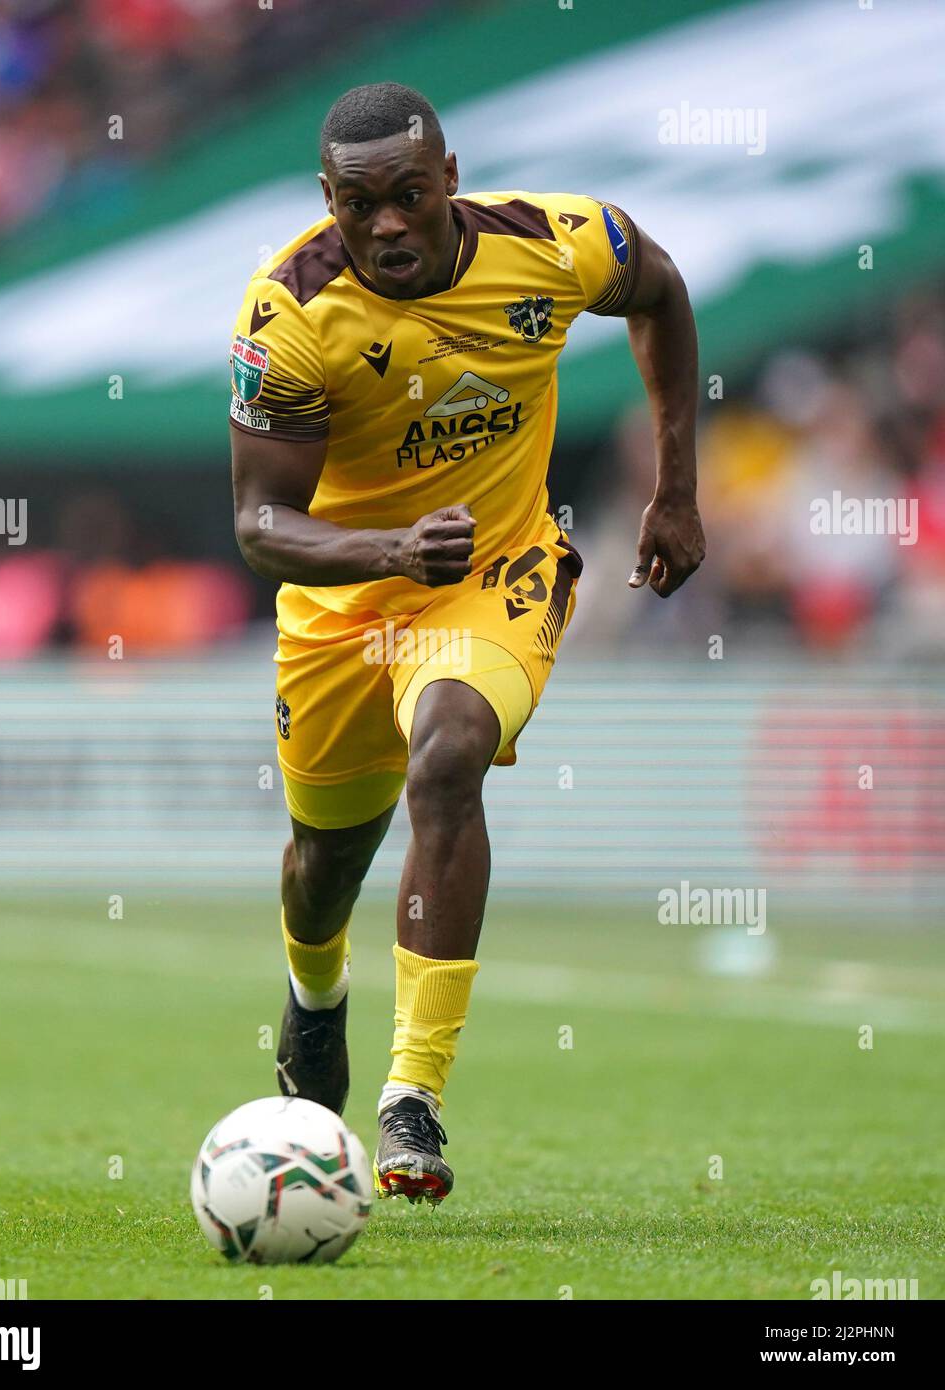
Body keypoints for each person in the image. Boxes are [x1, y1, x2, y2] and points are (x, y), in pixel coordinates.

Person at [230, 82, 705, 1205]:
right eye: (359, 206)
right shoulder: (287, 313)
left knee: (449, 752)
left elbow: (665, 290)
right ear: (328, 201)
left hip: (494, 573)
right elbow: (258, 525)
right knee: (321, 871)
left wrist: (675, 491)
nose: (386, 224)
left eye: (406, 196)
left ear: (449, 177)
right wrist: (391, 546)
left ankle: (413, 1094)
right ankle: (313, 991)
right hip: (346, 604)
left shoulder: (553, 244)